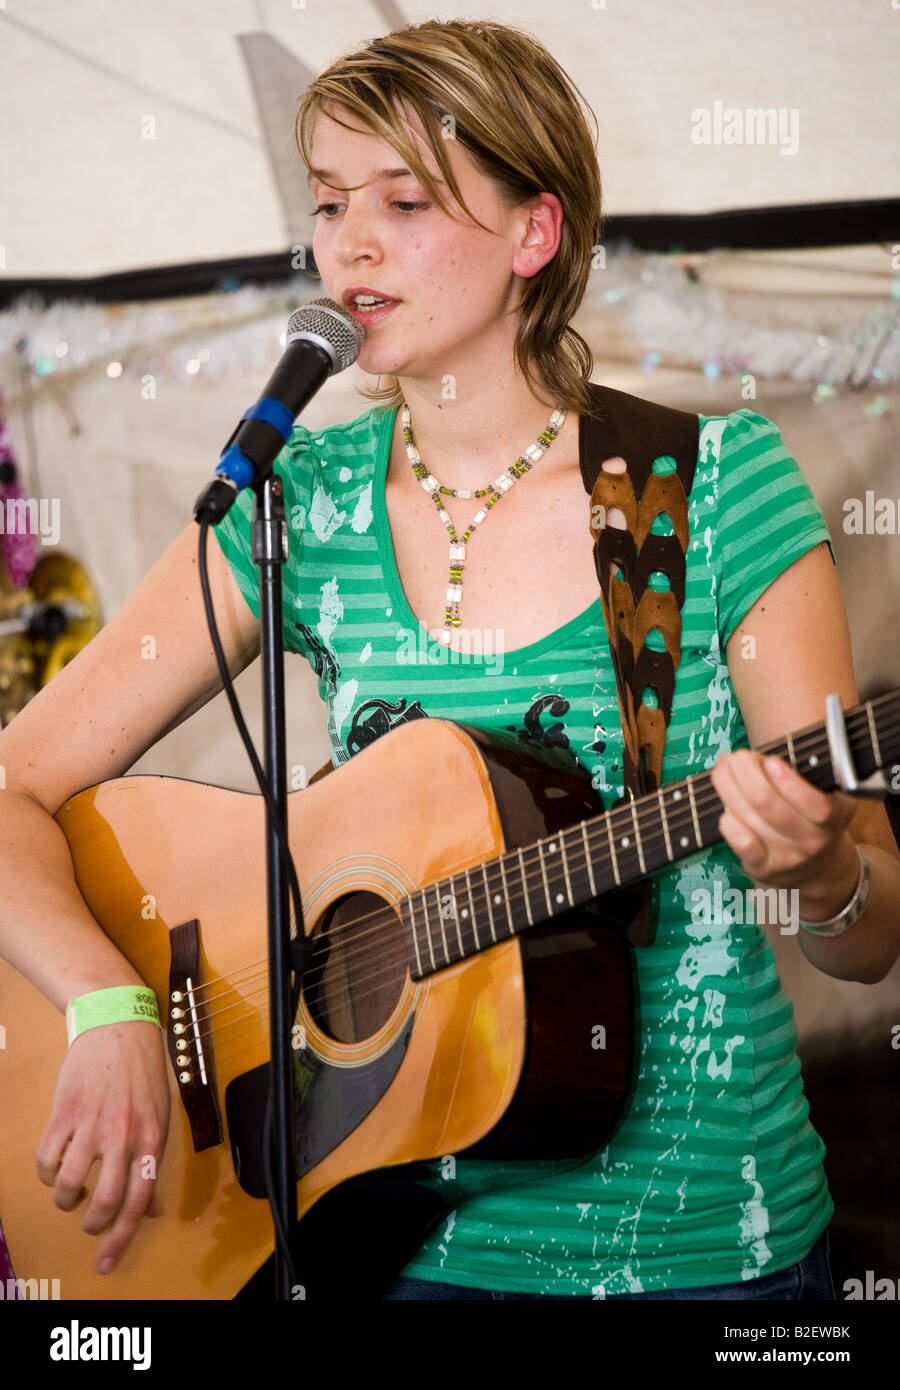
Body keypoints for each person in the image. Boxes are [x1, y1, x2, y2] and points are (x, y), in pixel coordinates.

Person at [1, 18, 898, 1301]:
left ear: (534, 234)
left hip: (715, 1255)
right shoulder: (288, 508)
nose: (345, 243)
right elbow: (13, 789)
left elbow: (871, 937)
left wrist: (821, 868)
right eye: (327, 201)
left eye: (405, 200)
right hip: (394, 1251)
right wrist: (110, 1004)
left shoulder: (704, 490)